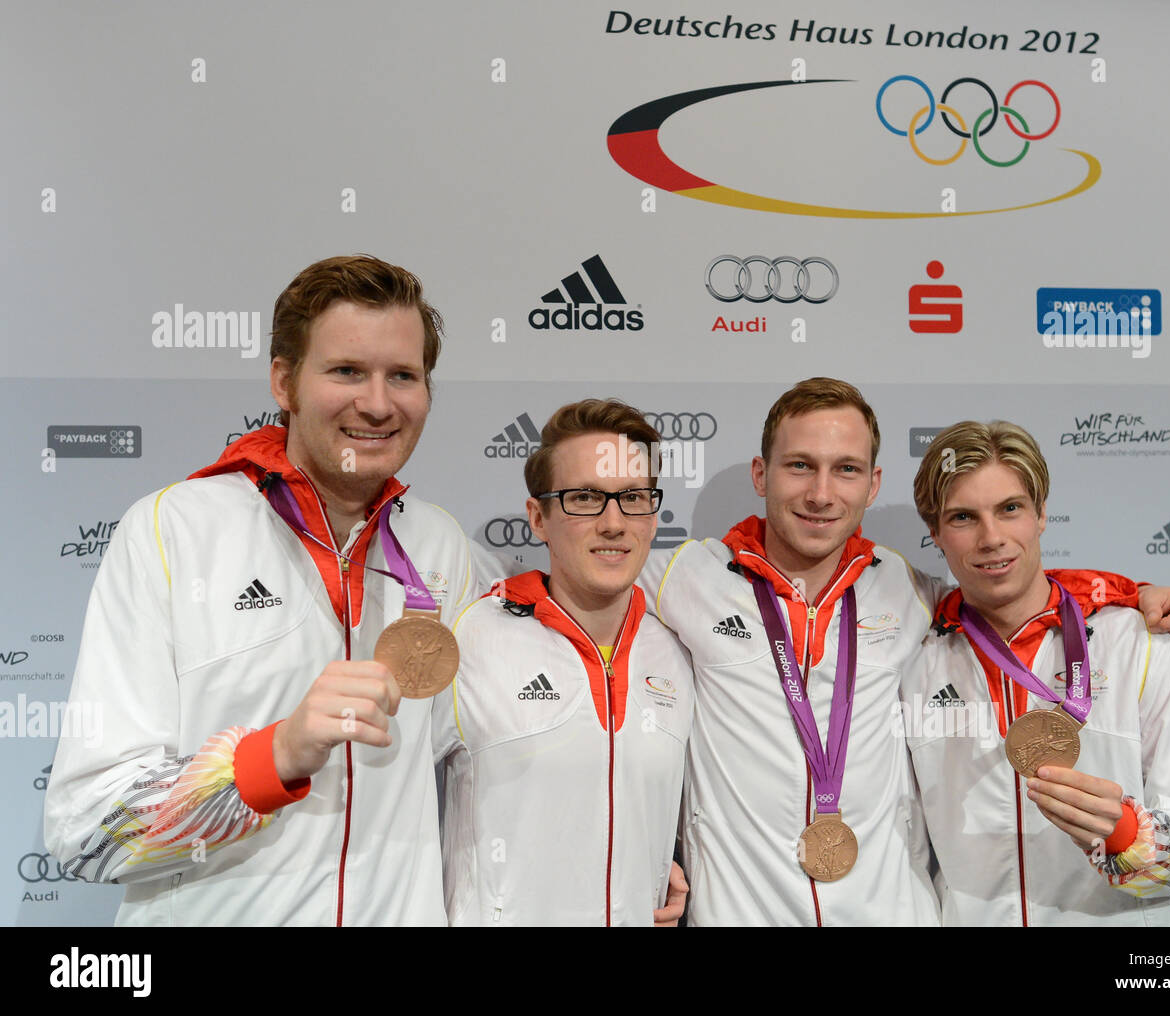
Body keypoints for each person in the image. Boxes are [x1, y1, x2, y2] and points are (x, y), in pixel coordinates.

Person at [637, 378, 1170, 926]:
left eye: (845, 470)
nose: (820, 492)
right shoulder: (682, 576)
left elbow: (1009, 592)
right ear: (761, 474)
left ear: (872, 483)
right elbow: (585, 594)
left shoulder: (909, 593)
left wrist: (1129, 595)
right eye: (799, 466)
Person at [45, 254, 489, 925]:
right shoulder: (172, 531)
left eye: (403, 375)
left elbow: (504, 746)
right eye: (346, 371)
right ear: (284, 381)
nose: (377, 402)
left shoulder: (441, 546)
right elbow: (88, 830)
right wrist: (274, 755)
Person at [901, 420, 1170, 924]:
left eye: (1010, 509)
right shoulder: (914, 660)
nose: (992, 538)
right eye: (964, 517)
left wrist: (1128, 835)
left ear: (1040, 514)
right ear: (936, 533)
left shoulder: (1139, 646)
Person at [441, 400, 693, 926]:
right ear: (539, 517)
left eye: (633, 498)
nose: (613, 523)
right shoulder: (472, 637)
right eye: (584, 499)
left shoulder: (677, 651)